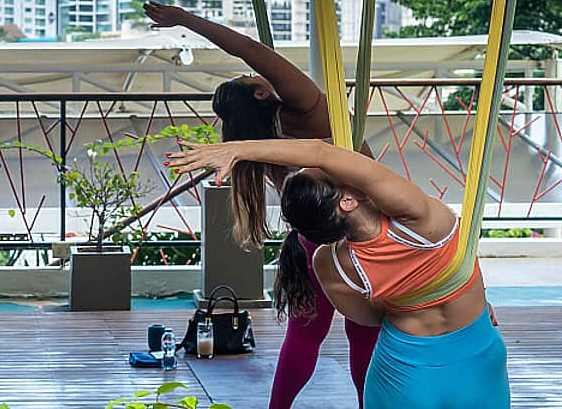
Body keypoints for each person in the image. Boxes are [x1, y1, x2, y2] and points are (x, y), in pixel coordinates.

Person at [143, 2, 379, 409]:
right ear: (259, 92)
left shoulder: (260, 144)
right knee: (364, 333)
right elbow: (249, 49)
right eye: (250, 78)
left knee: (305, 335)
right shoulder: (306, 108)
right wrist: (185, 20)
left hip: (312, 240)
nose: (256, 73)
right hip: (359, 229)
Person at [167, 138, 510, 409]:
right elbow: (320, 151)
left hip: (403, 370)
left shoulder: (329, 264)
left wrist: (423, 296)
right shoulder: (416, 216)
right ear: (347, 200)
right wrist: (238, 150)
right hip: (477, 355)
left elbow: (373, 318)